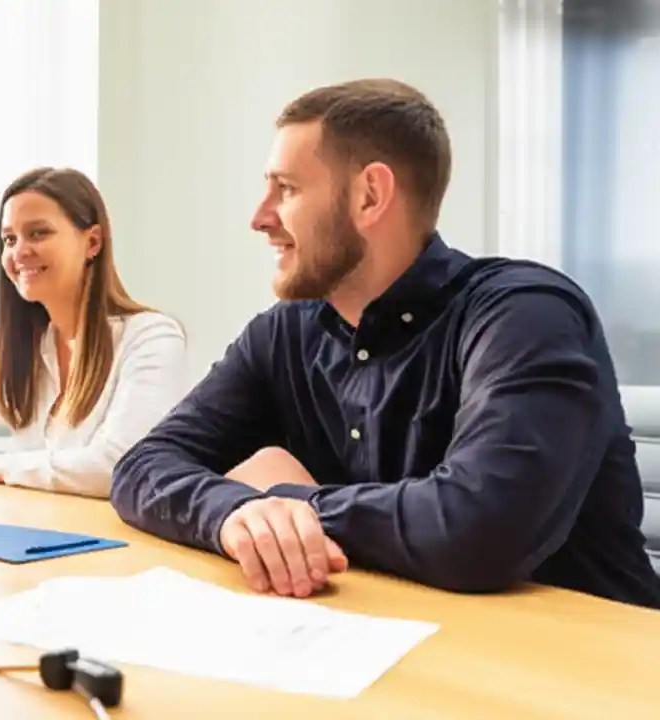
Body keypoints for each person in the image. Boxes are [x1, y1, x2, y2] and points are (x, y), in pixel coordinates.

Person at [111, 78, 660, 609]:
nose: (260, 218)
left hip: (589, 655)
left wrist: (288, 504)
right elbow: (143, 467)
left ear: (370, 196)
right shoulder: (285, 332)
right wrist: (232, 513)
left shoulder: (525, 315)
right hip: (412, 634)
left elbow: (478, 531)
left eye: (287, 189)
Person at [0, 167, 187, 498]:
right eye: (9, 239)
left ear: (92, 242)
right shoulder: (24, 353)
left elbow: (122, 466)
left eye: (38, 233)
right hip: (31, 525)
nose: (19, 252)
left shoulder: (151, 338)